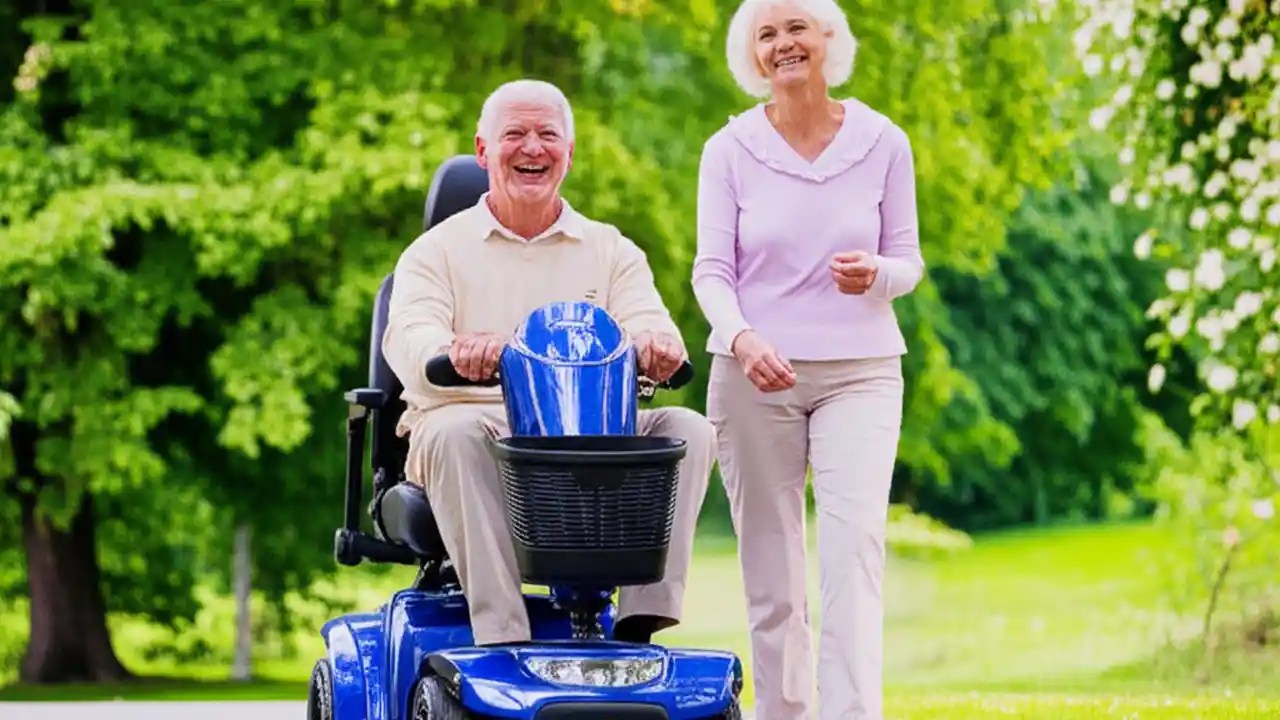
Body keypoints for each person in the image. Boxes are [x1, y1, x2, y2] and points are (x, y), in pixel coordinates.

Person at [383, 79, 713, 647]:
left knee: (690, 428)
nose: (532, 148)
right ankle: (503, 637)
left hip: (589, 433)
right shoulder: (436, 251)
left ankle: (639, 625)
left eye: (547, 135)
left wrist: (659, 348)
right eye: (514, 134)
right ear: (484, 151)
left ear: (569, 152)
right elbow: (410, 340)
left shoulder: (611, 249)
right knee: (454, 429)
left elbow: (650, 324)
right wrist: (454, 353)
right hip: (480, 426)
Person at [690, 0, 925, 718]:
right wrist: (742, 338)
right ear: (753, 56)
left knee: (853, 554)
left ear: (829, 38)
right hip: (755, 375)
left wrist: (877, 275)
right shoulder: (727, 150)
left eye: (797, 27)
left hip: (861, 371)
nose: (784, 43)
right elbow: (710, 273)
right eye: (767, 34)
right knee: (773, 572)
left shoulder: (884, 141)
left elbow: (909, 260)